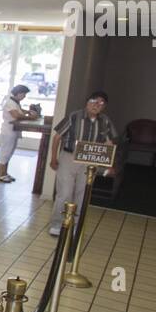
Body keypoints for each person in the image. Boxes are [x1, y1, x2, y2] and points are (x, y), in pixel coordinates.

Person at [49, 90, 118, 236]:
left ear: (104, 106)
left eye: (101, 103)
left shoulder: (105, 121)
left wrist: (110, 164)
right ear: (87, 102)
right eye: (93, 101)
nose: (96, 105)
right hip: (69, 156)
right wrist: (53, 158)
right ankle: (57, 224)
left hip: (89, 161)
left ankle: (75, 225)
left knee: (83, 194)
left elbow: (109, 143)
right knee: (65, 192)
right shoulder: (74, 116)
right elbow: (57, 138)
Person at [0, 84, 32, 183]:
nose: (24, 96)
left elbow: (19, 111)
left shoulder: (15, 102)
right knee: (5, 152)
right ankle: (0, 174)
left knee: (9, 153)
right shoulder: (10, 102)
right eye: (24, 94)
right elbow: (16, 115)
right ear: (19, 93)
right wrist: (30, 117)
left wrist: (28, 112)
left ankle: (4, 173)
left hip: (13, 131)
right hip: (8, 131)